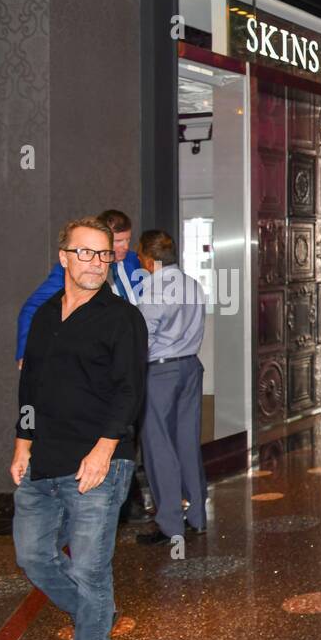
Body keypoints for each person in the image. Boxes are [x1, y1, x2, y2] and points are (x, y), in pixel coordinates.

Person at [11, 217, 148, 640]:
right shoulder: (46, 315)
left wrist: (104, 450)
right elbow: (29, 385)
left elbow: (130, 391)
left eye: (104, 254)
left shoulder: (121, 318)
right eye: (85, 252)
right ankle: (98, 611)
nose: (95, 262)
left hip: (98, 462)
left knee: (90, 564)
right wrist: (22, 443)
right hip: (43, 458)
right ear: (65, 257)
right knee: (32, 556)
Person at [132, 230, 209, 545]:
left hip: (161, 371)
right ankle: (198, 516)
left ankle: (169, 524)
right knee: (187, 441)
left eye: (139, 258)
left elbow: (143, 337)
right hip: (191, 365)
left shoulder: (154, 290)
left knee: (158, 445)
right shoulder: (192, 284)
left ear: (149, 260)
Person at [16, 209, 143, 366]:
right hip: (95, 349)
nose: (125, 246)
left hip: (131, 342)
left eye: (128, 240)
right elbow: (32, 307)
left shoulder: (134, 260)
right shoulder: (73, 270)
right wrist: (24, 353)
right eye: (118, 241)